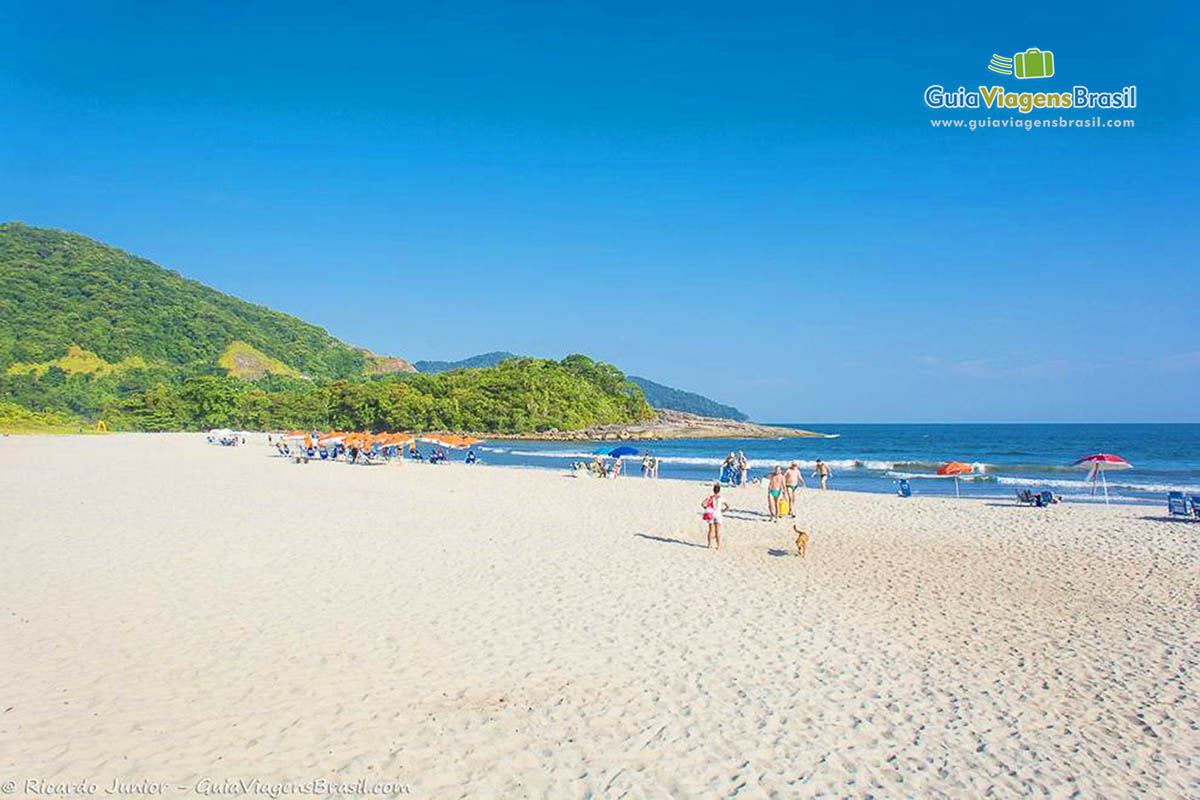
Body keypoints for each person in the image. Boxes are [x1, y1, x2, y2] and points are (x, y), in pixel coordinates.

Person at [701, 483, 729, 549]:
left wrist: (706, 508)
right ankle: (718, 545)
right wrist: (723, 510)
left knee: (711, 530)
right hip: (718, 513)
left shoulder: (710, 497)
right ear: (719, 490)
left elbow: (702, 504)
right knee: (718, 530)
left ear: (713, 490)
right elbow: (728, 506)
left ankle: (709, 544)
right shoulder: (721, 498)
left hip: (711, 513)